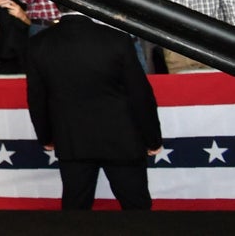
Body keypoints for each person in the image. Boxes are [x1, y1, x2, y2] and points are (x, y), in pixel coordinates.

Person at [26, 13, 162, 210]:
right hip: (122, 140)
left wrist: (46, 137)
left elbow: (37, 98)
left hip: (72, 141)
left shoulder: (39, 43)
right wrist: (152, 138)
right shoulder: (116, 39)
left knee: (76, 213)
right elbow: (140, 94)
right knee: (137, 210)